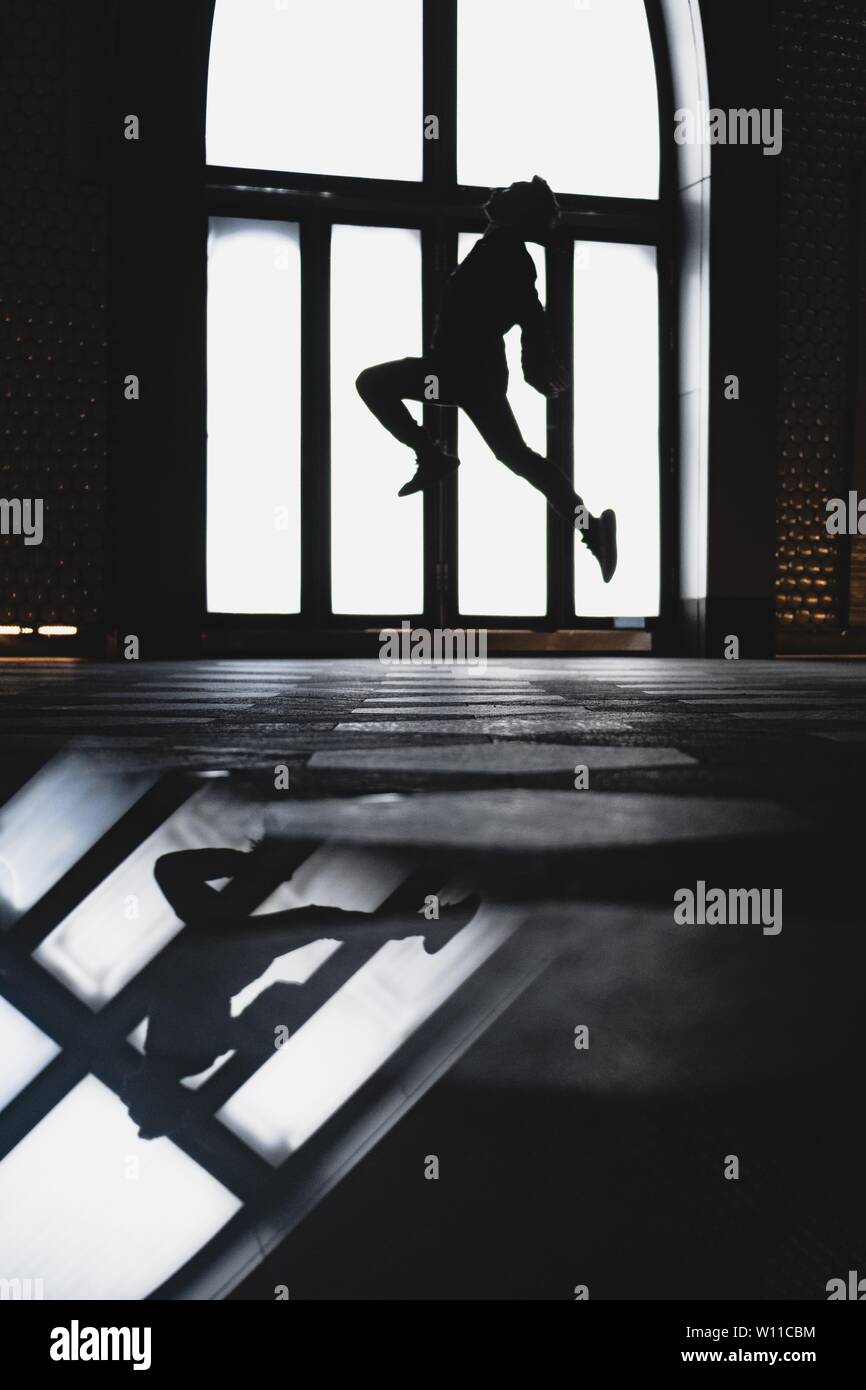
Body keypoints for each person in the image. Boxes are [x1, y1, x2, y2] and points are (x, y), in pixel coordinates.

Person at [355, 175, 617, 582]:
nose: (499, 192)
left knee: (371, 383)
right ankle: (590, 527)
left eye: (511, 192)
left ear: (517, 211)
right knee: (518, 457)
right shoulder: (500, 249)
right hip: (466, 374)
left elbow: (532, 314)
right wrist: (535, 365)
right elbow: (531, 315)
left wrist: (536, 366)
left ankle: (433, 456)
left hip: (460, 373)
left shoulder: (506, 253)